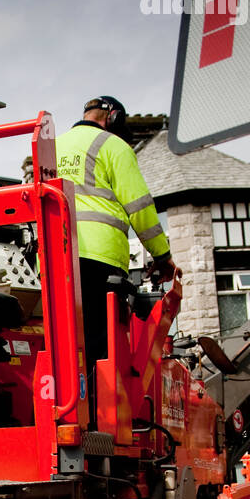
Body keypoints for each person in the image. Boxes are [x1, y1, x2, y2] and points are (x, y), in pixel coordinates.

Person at [56, 96, 176, 387]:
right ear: (113, 119)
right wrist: (162, 256)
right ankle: (98, 414)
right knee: (101, 339)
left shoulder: (51, 147)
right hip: (100, 259)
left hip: (55, 258)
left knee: (65, 340)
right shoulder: (113, 146)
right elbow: (140, 208)